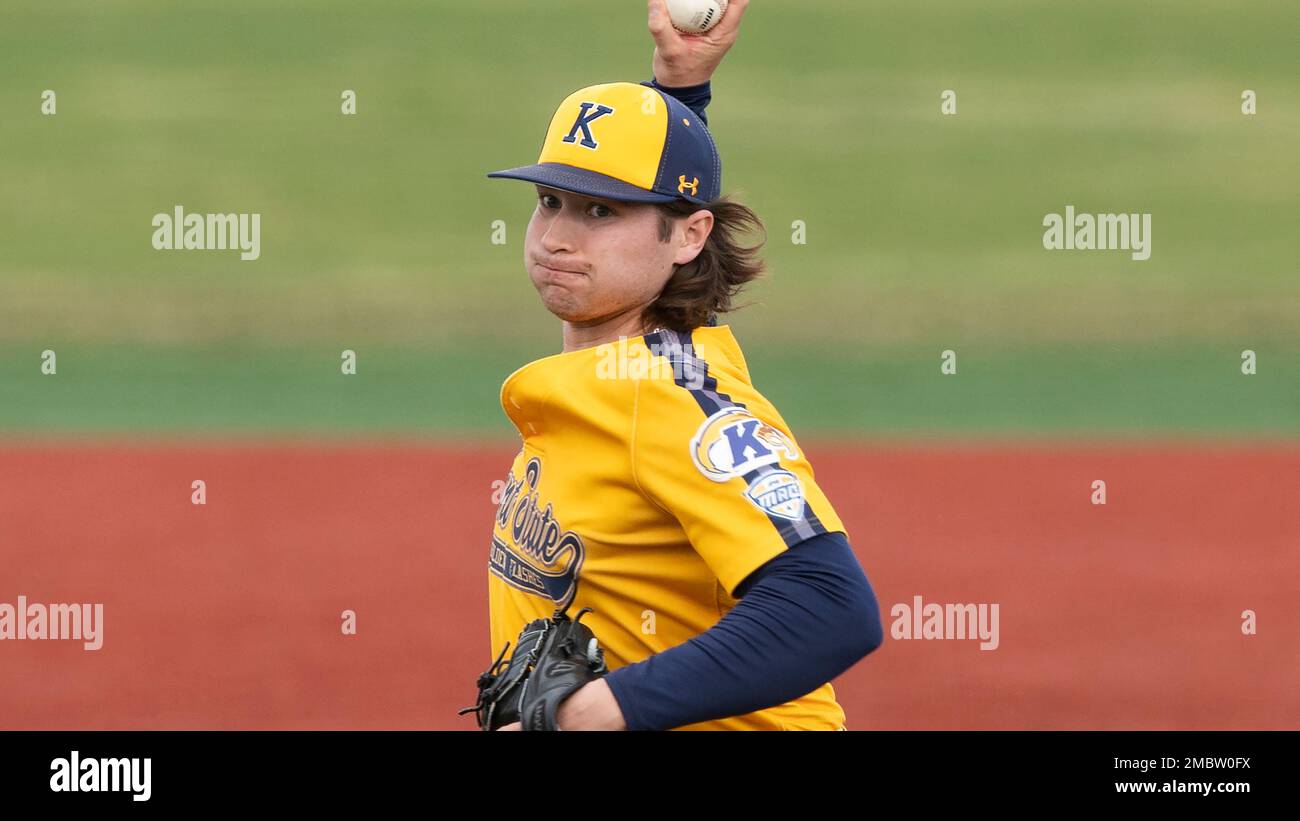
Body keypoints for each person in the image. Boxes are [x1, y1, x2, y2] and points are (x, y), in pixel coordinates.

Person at [481, 0, 882, 731]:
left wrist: (590, 714)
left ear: (692, 235)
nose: (558, 238)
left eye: (600, 213)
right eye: (549, 201)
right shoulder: (617, 367)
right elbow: (661, 211)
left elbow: (832, 604)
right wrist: (677, 94)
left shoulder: (675, 402)